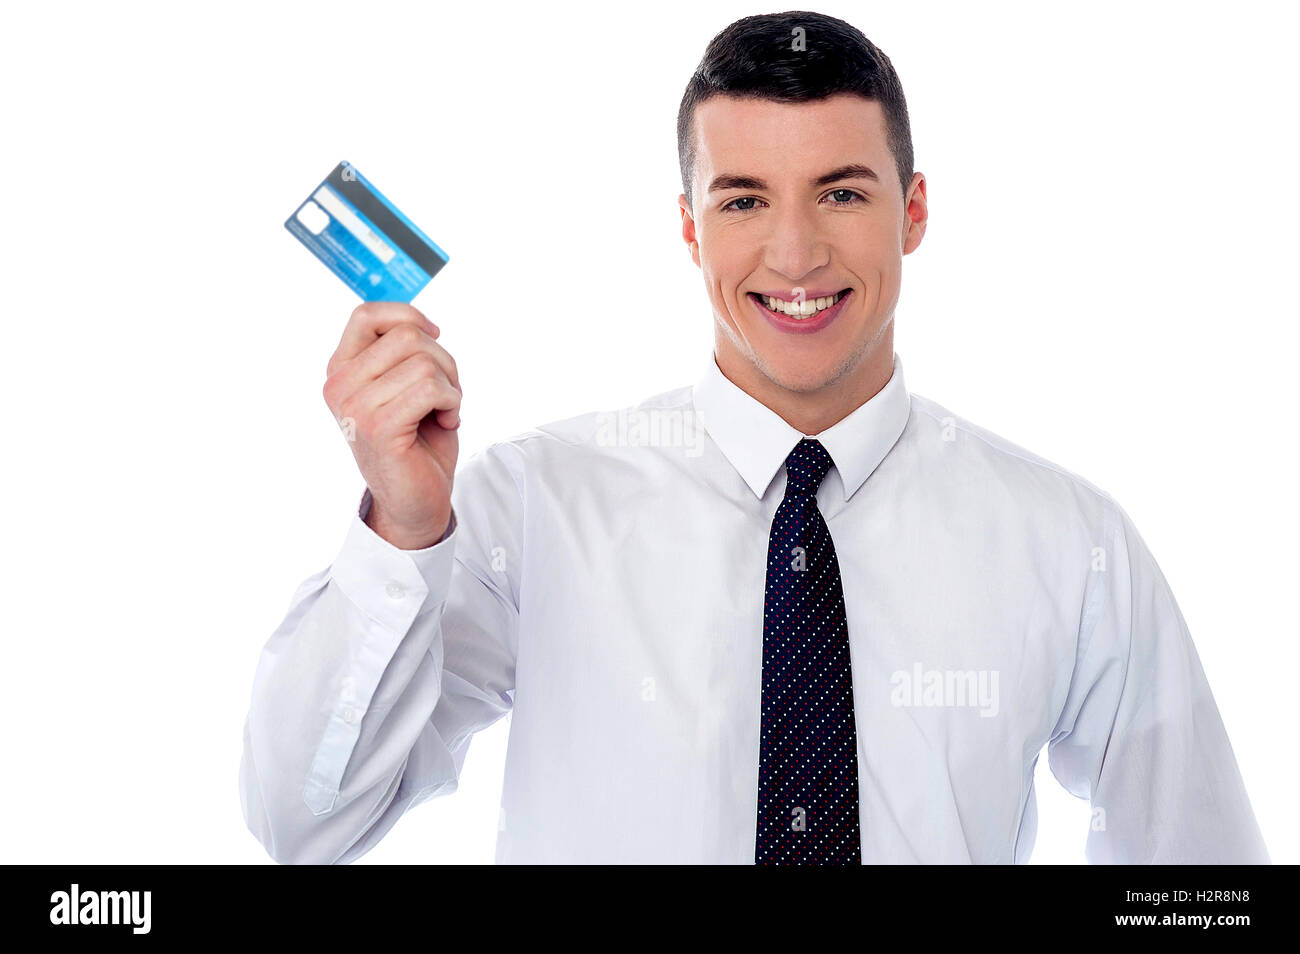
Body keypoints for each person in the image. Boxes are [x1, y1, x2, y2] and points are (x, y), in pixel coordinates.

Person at [238, 10, 1270, 864]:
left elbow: (1195, 873)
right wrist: (403, 533)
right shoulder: (533, 508)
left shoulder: (1067, 541)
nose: (794, 252)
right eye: (743, 199)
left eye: (841, 192)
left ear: (912, 211)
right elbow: (303, 820)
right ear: (689, 226)